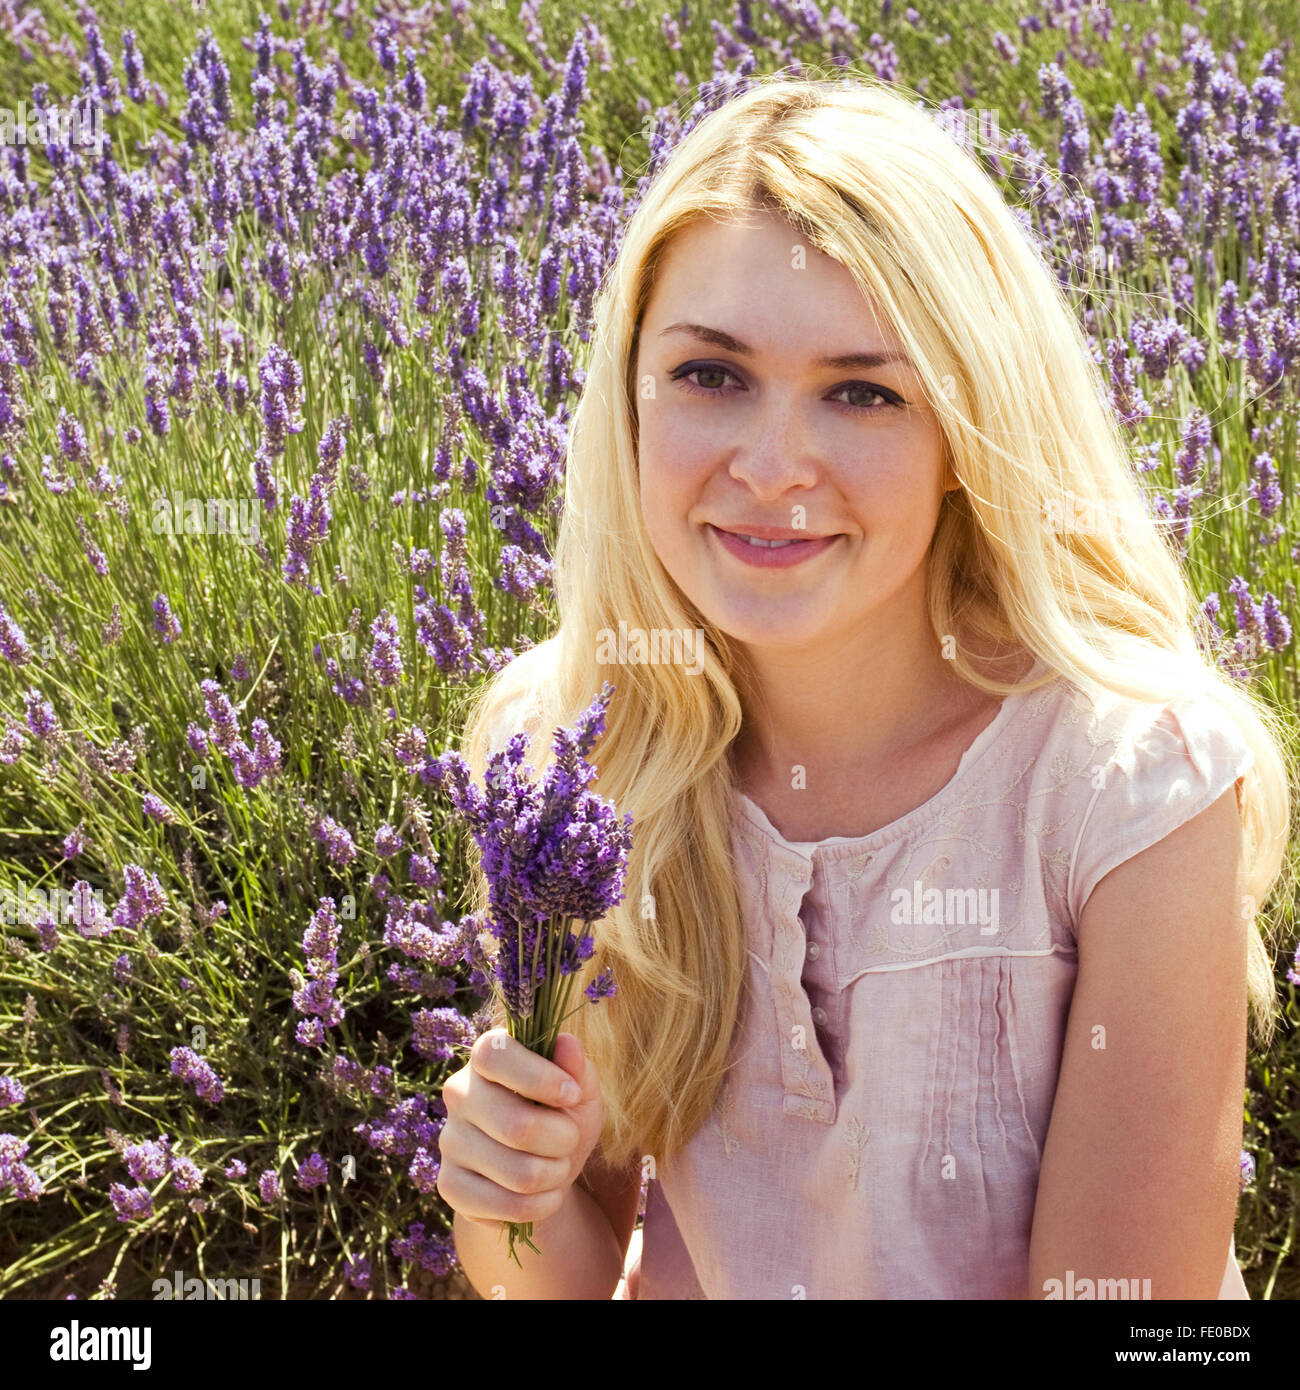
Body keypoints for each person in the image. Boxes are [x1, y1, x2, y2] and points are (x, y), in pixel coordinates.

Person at [436, 72, 1295, 1300]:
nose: (773, 465)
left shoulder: (1126, 785)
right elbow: (567, 1279)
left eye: (862, 392)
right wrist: (506, 1193)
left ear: (966, 434)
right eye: (708, 375)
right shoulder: (576, 757)